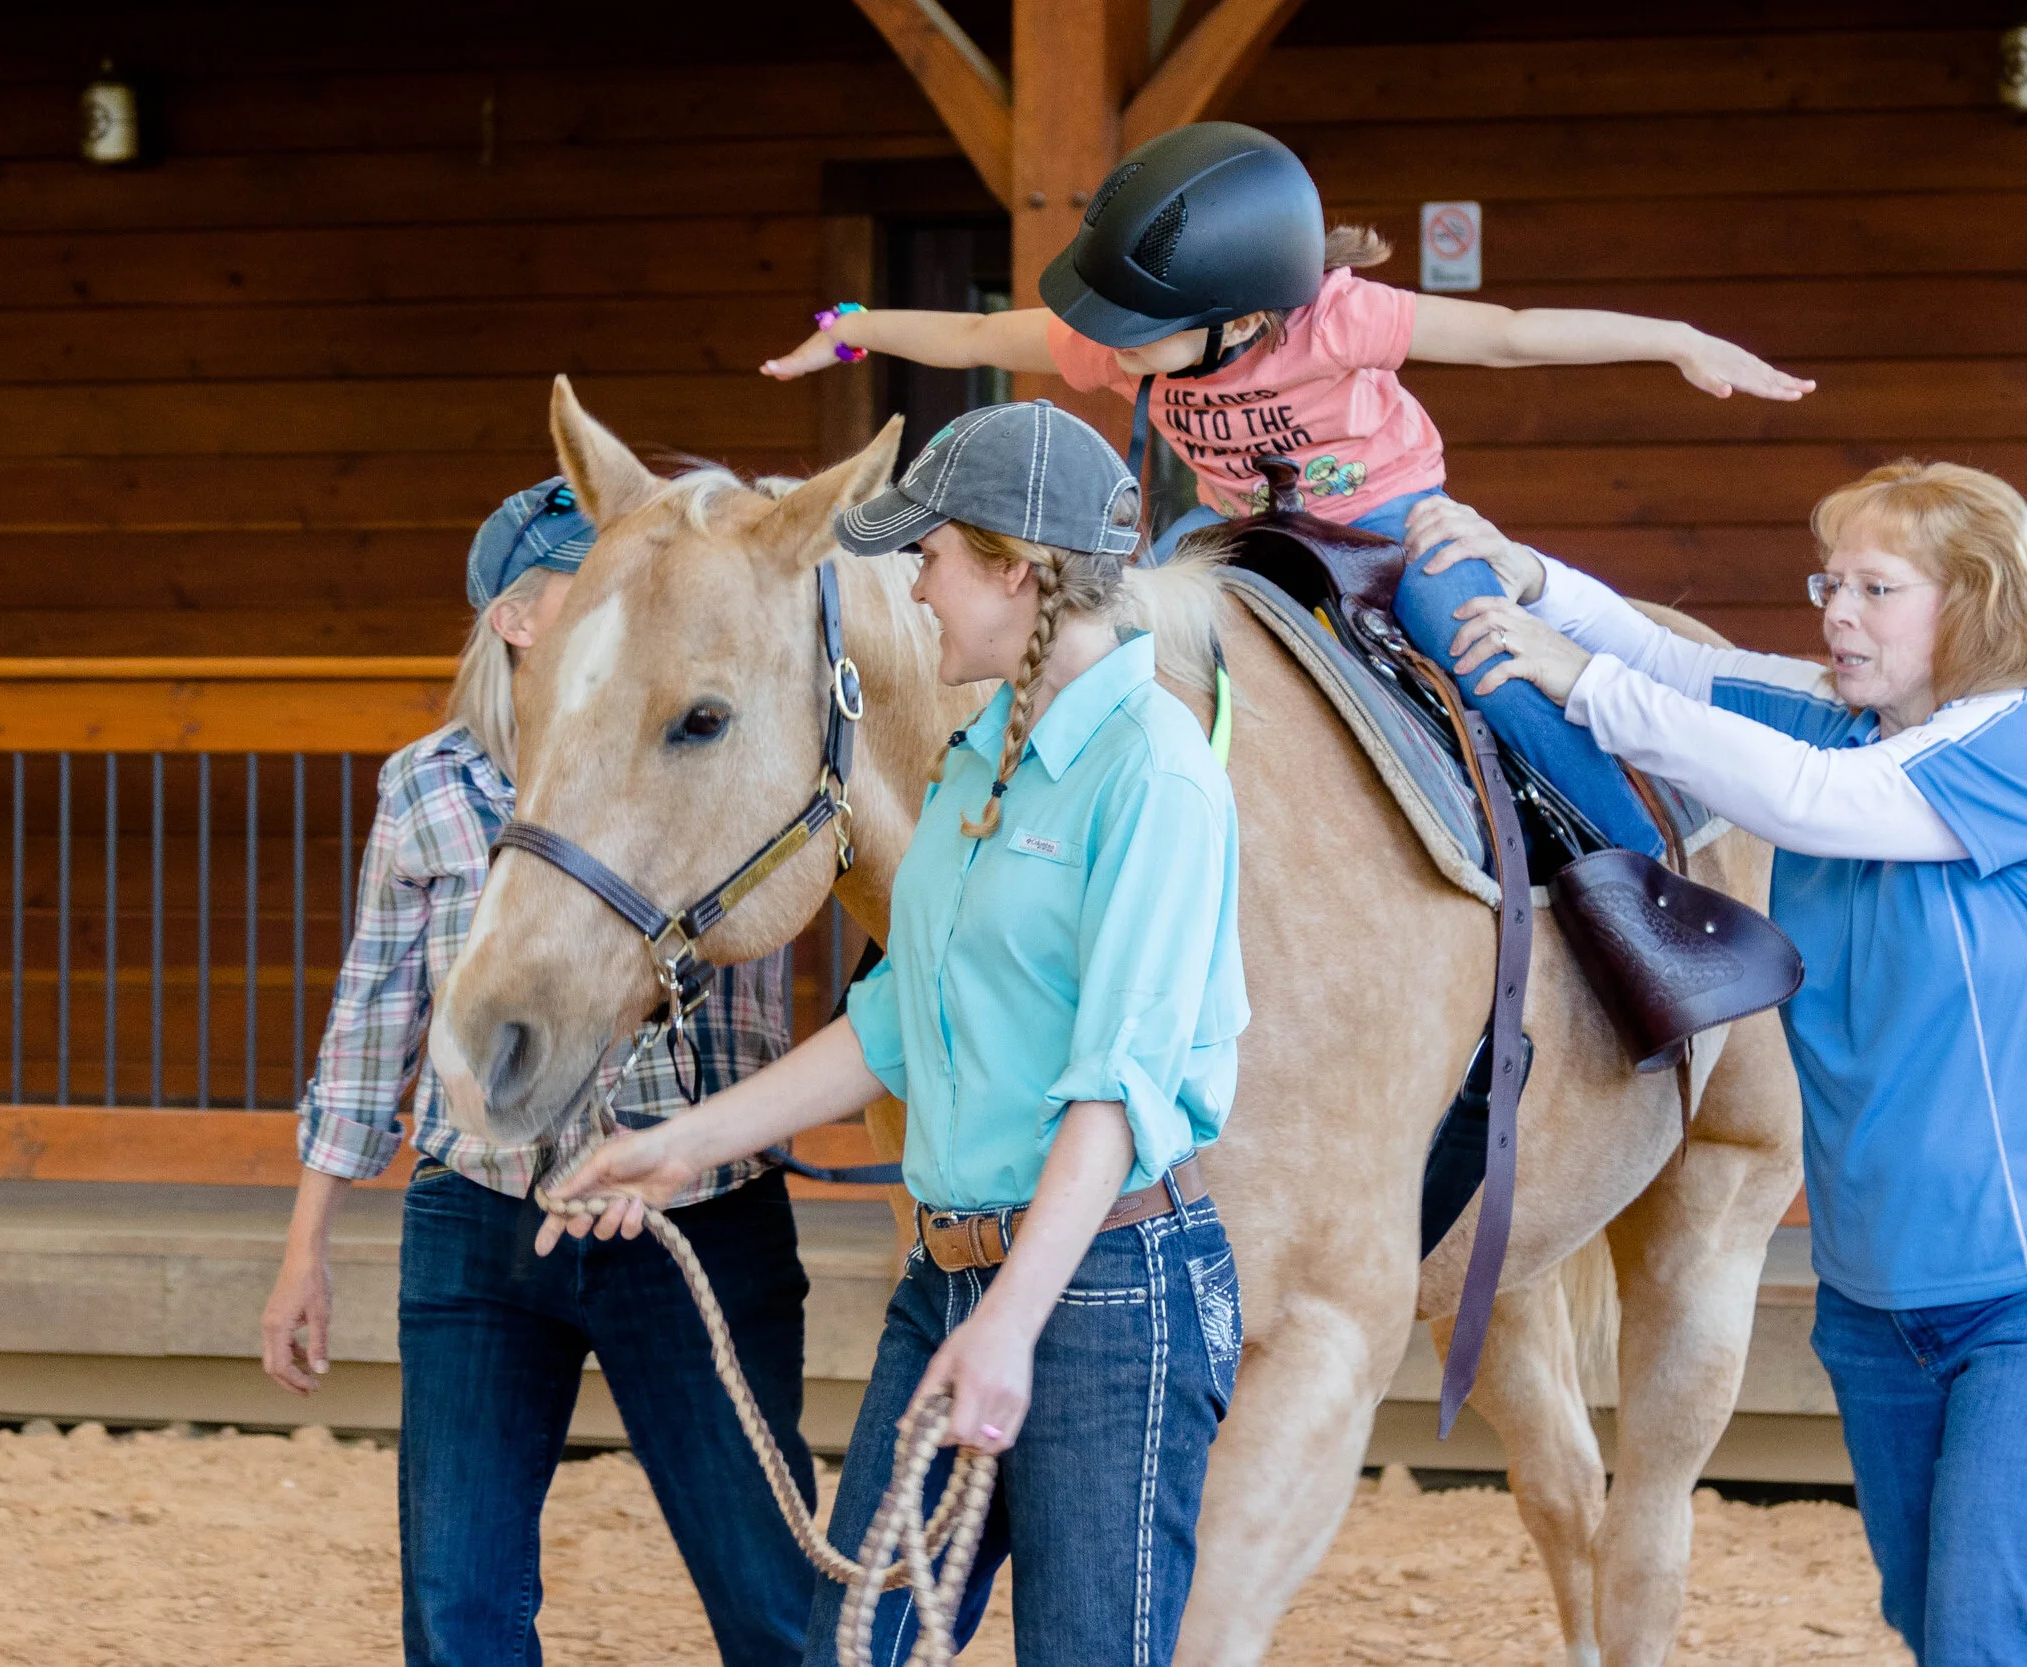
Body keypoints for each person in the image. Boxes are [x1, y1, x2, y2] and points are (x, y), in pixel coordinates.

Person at [1409, 463, 2027, 1666]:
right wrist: (1529, 576)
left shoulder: (2021, 746)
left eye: (1877, 587)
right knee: (1937, 1628)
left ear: (1977, 604)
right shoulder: (1844, 719)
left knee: (1991, 1637)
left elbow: (1805, 796)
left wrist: (1586, 685)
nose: (1835, 610)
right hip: (1885, 1300)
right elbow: (1677, 662)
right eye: (1829, 579)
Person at [543, 401, 1248, 1667]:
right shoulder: (980, 756)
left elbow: (1117, 1091)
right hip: (950, 1275)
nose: (910, 585)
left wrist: (1013, 1323)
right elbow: (896, 1022)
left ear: (1017, 572)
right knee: (844, 1651)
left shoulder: (1157, 773)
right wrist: (678, 1145)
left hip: (1104, 1291)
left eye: (928, 556)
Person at [761, 120, 1812, 860]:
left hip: (1391, 525)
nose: (1114, 345)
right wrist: (850, 331)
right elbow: (982, 333)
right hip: (1242, 532)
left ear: (1239, 309)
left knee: (1474, 644)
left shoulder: (1334, 320)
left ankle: (1633, 859)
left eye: (1141, 327)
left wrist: (1672, 340)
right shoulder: (1134, 345)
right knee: (1119, 628)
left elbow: (1507, 336)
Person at [259, 480, 817, 1667]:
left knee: (774, 1607)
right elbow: (374, 1019)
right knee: (459, 1618)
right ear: (518, 617)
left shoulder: (725, 748)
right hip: (479, 1226)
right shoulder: (428, 785)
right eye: (593, 573)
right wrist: (305, 1245)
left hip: (696, 1226)